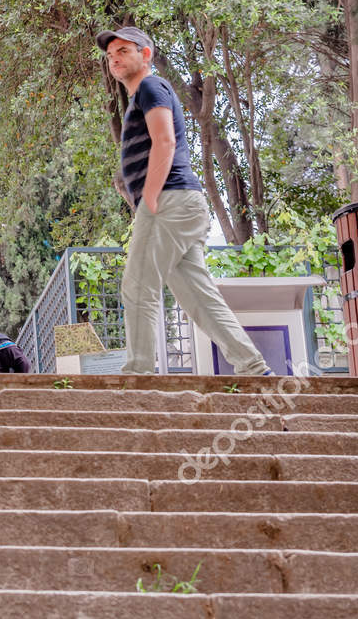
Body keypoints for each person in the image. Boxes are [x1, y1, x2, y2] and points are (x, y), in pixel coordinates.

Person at [97, 26, 272, 377]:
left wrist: (150, 196)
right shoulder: (142, 94)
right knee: (198, 297)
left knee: (138, 286)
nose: (114, 58)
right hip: (183, 204)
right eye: (111, 54)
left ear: (146, 54)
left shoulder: (150, 86)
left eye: (124, 51)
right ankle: (254, 368)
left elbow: (165, 141)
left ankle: (137, 375)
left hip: (169, 199)